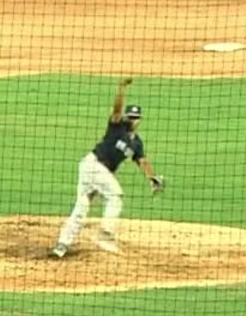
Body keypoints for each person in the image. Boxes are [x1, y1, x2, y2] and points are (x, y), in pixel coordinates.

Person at [49, 79, 163, 258]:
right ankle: (105, 237)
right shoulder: (117, 127)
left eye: (136, 118)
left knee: (82, 206)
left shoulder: (137, 143)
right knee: (114, 196)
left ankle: (62, 244)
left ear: (140, 120)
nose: (133, 120)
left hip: (99, 171)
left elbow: (142, 160)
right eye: (130, 117)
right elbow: (117, 110)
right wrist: (121, 88)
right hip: (92, 165)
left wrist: (152, 177)